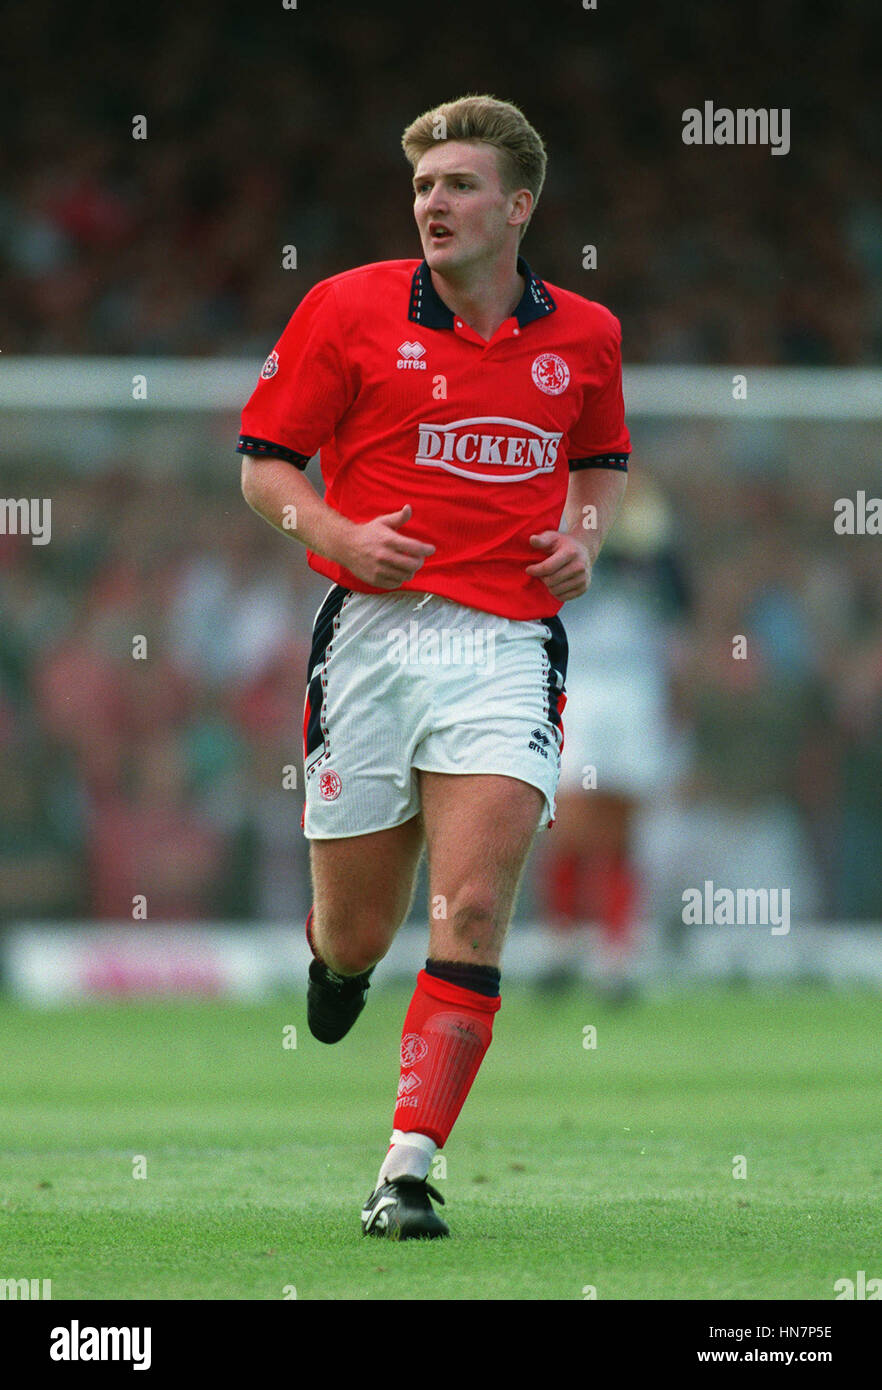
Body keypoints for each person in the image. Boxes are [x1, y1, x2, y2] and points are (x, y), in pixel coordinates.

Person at [237, 95, 630, 1239]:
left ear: (519, 206)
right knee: (359, 930)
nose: (434, 205)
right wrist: (335, 534)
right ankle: (338, 963)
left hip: (506, 646)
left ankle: (407, 1167)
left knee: (470, 908)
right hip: (371, 635)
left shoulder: (588, 336)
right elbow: (265, 465)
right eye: (422, 188)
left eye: (458, 185)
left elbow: (601, 463)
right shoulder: (347, 308)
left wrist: (584, 536)